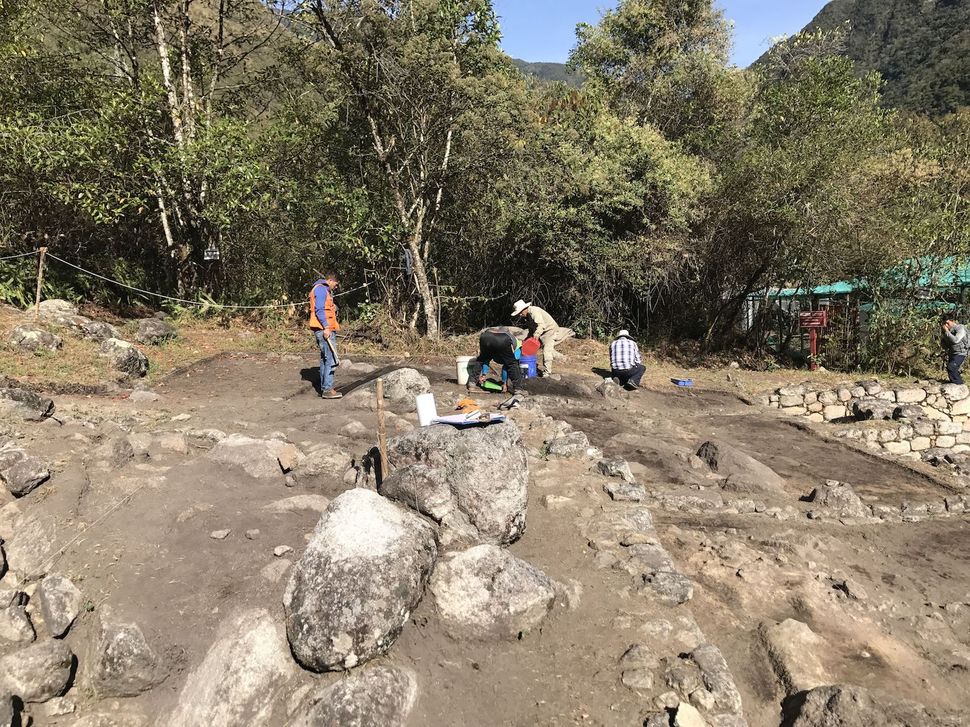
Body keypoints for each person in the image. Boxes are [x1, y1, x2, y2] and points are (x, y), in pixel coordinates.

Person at [511, 299, 573, 377]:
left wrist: (536, 335)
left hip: (550, 330)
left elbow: (541, 325)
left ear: (524, 309)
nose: (520, 315)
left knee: (546, 351)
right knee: (548, 349)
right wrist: (527, 340)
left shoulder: (534, 311)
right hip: (542, 332)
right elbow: (531, 329)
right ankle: (563, 358)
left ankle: (547, 373)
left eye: (520, 312)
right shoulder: (527, 316)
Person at [309, 273, 342, 399]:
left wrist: (334, 307)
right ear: (330, 280)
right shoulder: (322, 289)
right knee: (331, 358)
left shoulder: (321, 289)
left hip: (322, 328)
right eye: (336, 284)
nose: (336, 287)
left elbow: (324, 308)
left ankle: (324, 387)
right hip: (324, 329)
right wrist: (326, 327)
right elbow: (319, 309)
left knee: (325, 358)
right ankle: (327, 389)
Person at [472, 326, 525, 395]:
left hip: (490, 340)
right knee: (511, 364)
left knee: (483, 359)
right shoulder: (510, 341)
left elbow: (487, 360)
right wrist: (484, 374)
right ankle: (517, 389)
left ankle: (472, 382)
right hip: (501, 348)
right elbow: (507, 365)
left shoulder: (514, 344)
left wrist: (484, 375)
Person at [942, 314, 969, 385]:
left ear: (953, 321)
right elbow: (944, 344)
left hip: (961, 352)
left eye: (948, 323)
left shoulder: (960, 328)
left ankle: (959, 385)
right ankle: (953, 384)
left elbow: (956, 340)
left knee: (951, 367)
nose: (946, 325)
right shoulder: (947, 331)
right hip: (952, 352)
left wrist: (947, 332)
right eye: (944, 323)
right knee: (950, 369)